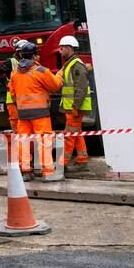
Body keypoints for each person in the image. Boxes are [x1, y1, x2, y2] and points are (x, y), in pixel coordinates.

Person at [7, 40, 62, 180]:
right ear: (34, 56)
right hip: (40, 114)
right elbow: (55, 86)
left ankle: (26, 171)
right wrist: (60, 75)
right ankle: (48, 172)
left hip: (23, 114)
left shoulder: (14, 73)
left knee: (23, 142)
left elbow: (12, 93)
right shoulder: (41, 71)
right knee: (44, 141)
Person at [56, 35, 93, 170]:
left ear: (70, 48)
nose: (60, 51)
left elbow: (81, 88)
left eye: (62, 48)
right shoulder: (71, 64)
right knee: (76, 134)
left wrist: (75, 106)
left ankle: (62, 164)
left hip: (75, 108)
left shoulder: (76, 65)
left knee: (69, 135)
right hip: (73, 107)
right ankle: (82, 160)